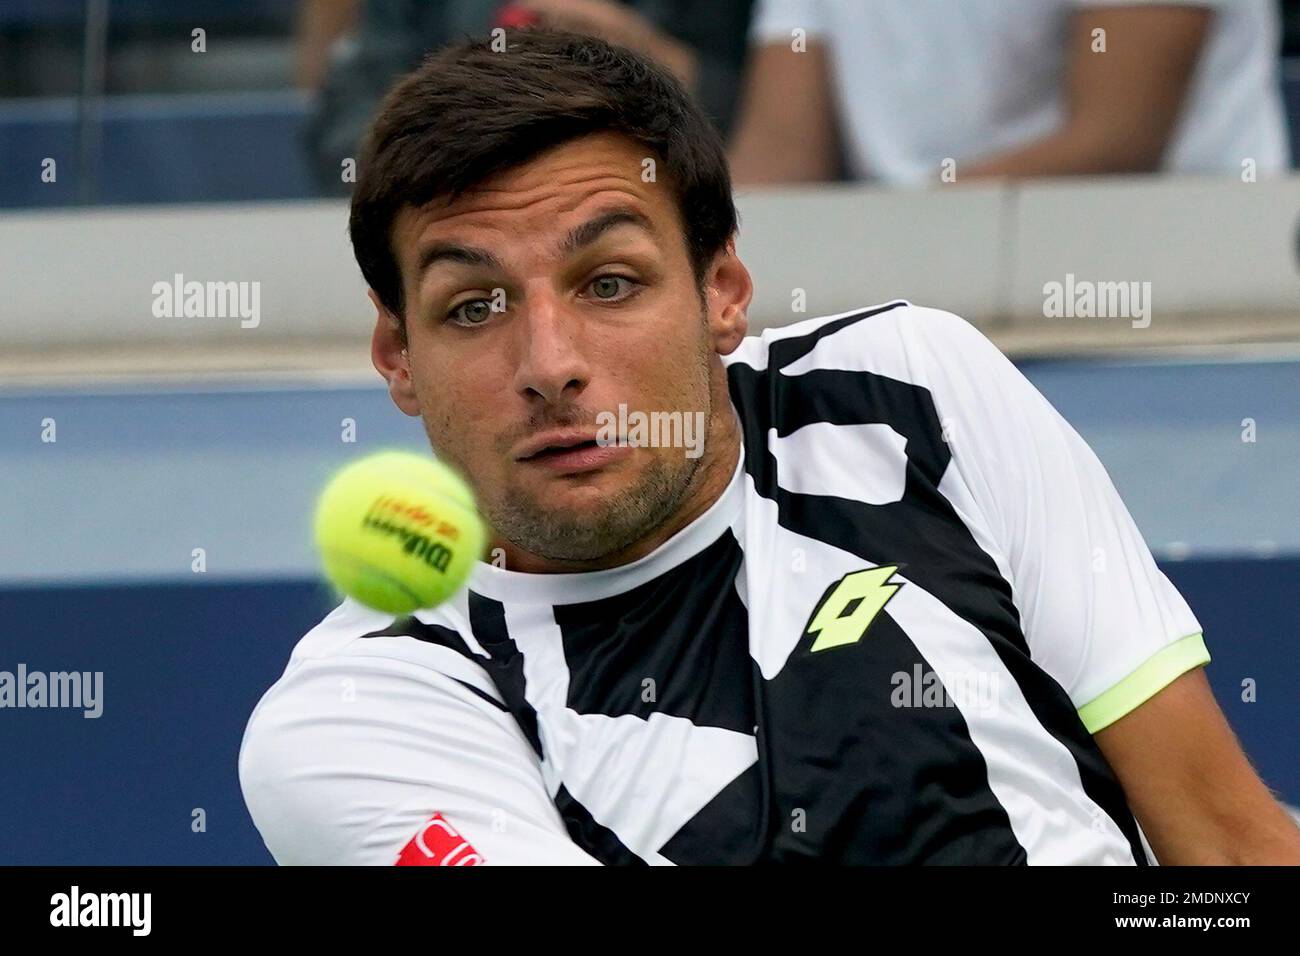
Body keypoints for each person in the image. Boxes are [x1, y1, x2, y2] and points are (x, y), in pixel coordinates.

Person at [239, 29, 1300, 865]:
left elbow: (1224, 839)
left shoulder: (914, 388)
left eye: (609, 283)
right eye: (474, 306)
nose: (549, 362)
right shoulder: (362, 712)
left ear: (722, 294)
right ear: (398, 355)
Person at [730, 0, 1292, 185]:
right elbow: (778, 165)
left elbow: (1117, 141)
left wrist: (896, 246)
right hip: (914, 303)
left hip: (1180, 312)